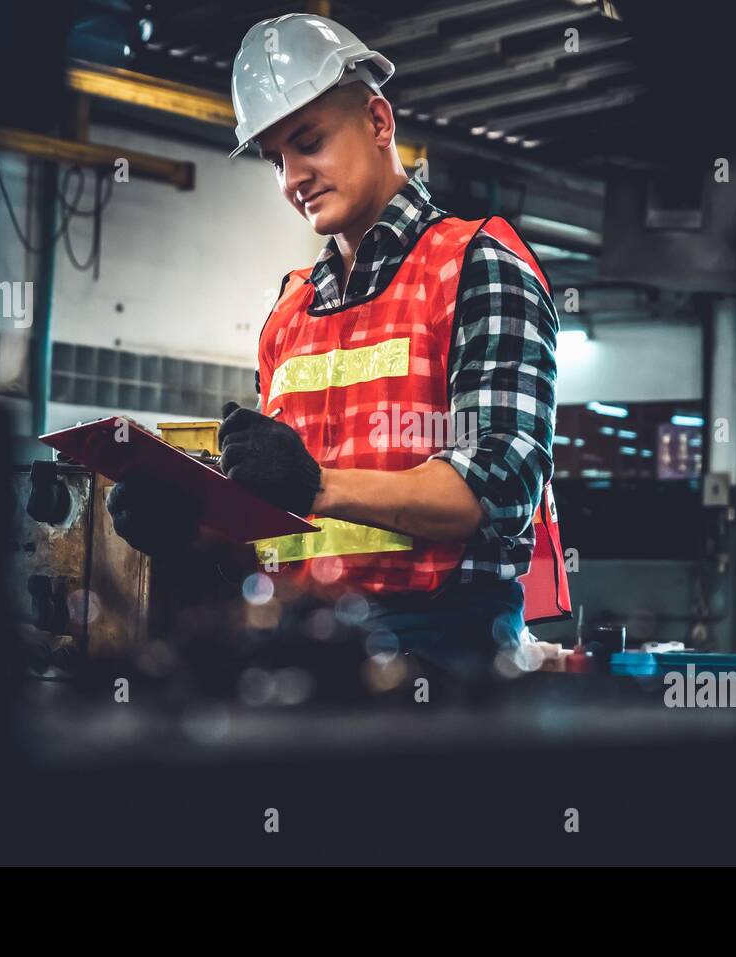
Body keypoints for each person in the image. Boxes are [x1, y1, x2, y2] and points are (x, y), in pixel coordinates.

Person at [110, 13, 570, 679]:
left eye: (310, 142)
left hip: (448, 656)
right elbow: (279, 525)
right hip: (306, 645)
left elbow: (492, 490)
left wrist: (316, 484)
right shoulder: (290, 308)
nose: (294, 177)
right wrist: (191, 526)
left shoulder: (476, 264)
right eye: (276, 159)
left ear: (379, 121)